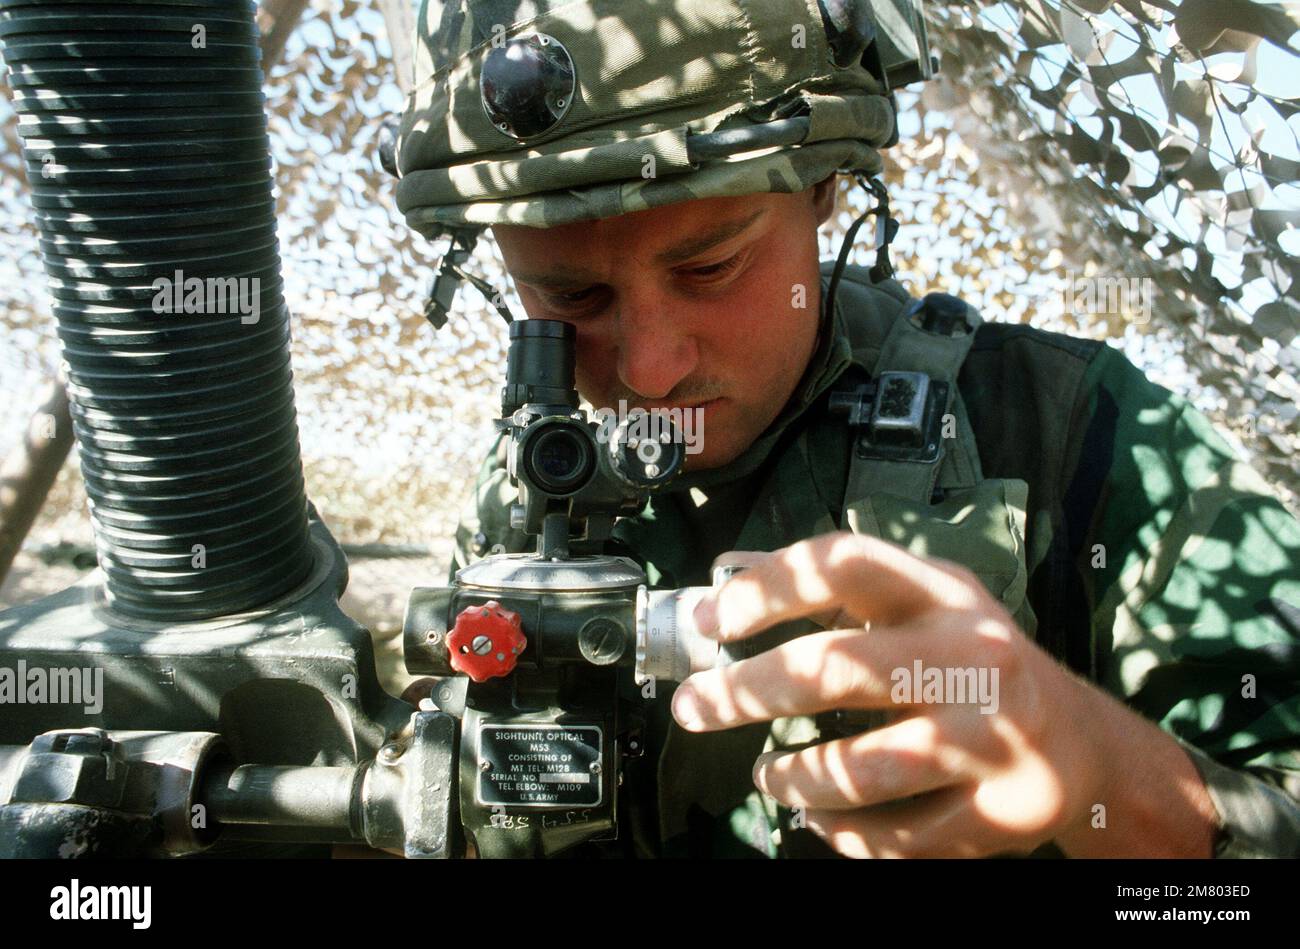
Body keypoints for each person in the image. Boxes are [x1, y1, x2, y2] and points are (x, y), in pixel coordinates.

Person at [393, 0, 1300, 858]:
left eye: (712, 267)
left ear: (824, 188)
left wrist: (1105, 776)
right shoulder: (526, 489)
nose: (651, 369)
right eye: (570, 296)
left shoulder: (1070, 431)